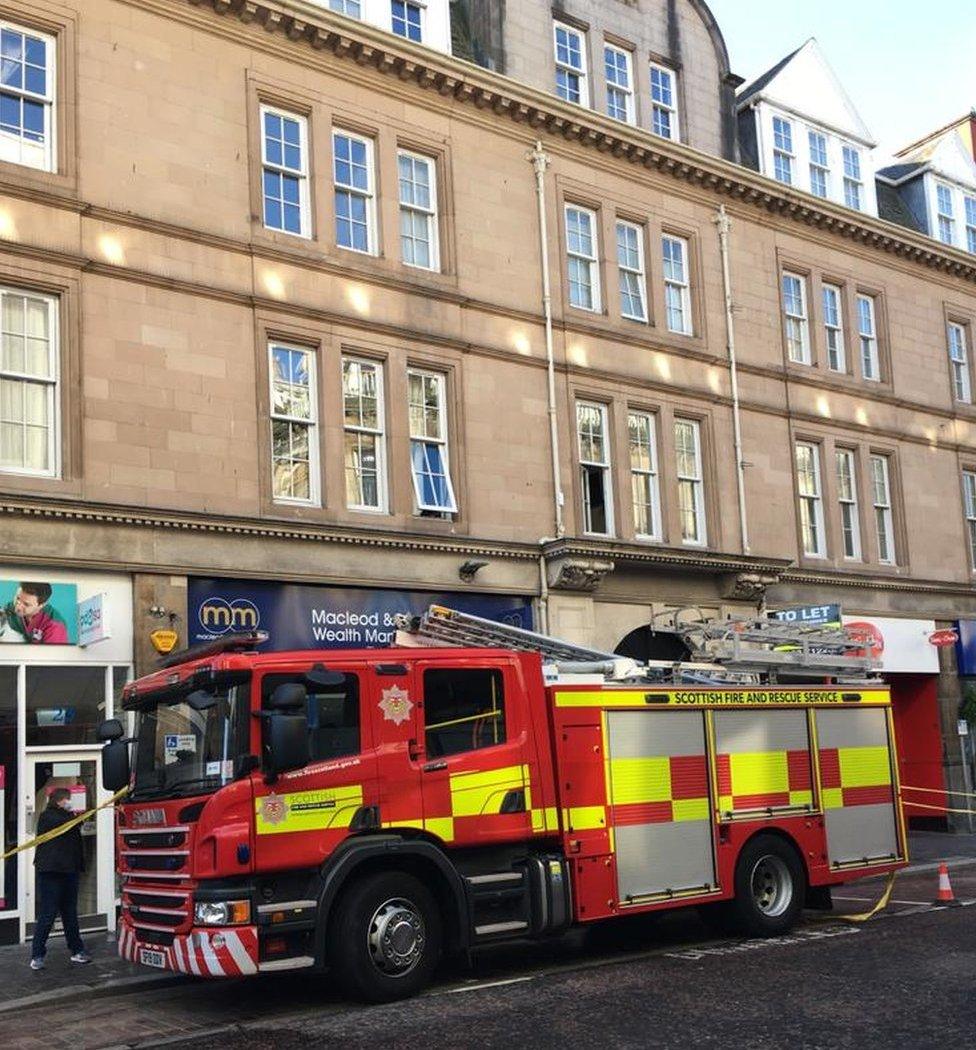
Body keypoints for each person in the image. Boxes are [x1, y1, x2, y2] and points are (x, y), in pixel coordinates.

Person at [30, 787, 91, 969]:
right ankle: (37, 955)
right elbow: (66, 825)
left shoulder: (68, 817)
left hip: (69, 871)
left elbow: (75, 826)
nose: (70, 802)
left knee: (70, 913)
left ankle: (77, 950)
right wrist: (76, 815)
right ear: (59, 801)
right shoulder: (48, 816)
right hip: (52, 872)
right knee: (48, 914)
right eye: (68, 799)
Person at [3, 582, 69, 645]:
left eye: (26, 604)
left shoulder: (55, 626)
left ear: (41, 605)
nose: (18, 606)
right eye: (18, 598)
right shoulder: (10, 608)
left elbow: (52, 655)